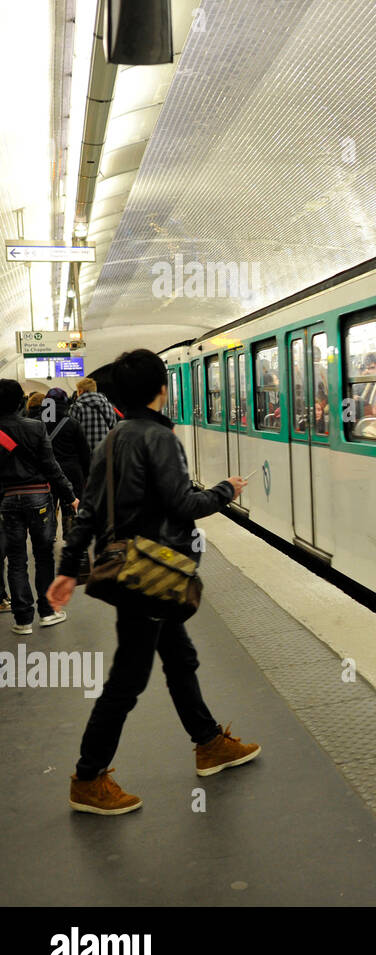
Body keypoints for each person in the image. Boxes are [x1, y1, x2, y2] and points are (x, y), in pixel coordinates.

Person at [47, 348, 258, 817]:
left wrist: (67, 568)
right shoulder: (159, 439)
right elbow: (185, 506)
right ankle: (88, 778)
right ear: (163, 388)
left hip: (134, 569)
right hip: (153, 571)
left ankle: (208, 743)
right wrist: (226, 491)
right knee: (128, 680)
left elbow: (88, 509)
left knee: (180, 658)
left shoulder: (112, 439)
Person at [0, 379, 78, 633]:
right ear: (19, 402)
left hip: (8, 499)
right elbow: (51, 466)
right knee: (44, 556)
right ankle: (47, 611)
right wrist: (69, 496)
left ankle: (23, 620)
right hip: (38, 498)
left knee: (16, 559)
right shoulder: (35, 427)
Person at [41, 388, 91, 545]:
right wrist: (87, 474)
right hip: (72, 472)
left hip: (47, 472)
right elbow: (84, 453)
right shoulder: (73, 424)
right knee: (71, 506)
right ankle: (71, 539)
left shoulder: (38, 423)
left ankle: (48, 535)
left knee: (48, 506)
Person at [69, 376, 119, 454]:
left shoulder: (76, 407)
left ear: (81, 391)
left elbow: (71, 432)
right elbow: (114, 428)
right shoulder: (108, 406)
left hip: (84, 454)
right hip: (104, 453)